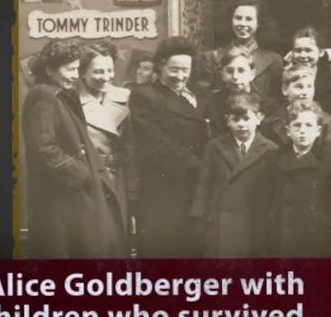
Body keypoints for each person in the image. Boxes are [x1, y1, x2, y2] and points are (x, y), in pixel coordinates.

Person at [20, 38, 103, 258]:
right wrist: (82, 172)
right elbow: (44, 147)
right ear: (49, 69)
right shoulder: (42, 95)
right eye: (70, 69)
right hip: (59, 199)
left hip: (70, 196)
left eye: (77, 69)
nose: (76, 75)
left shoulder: (60, 95)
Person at [129, 37, 209, 259]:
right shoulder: (145, 96)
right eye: (174, 70)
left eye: (186, 70)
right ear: (161, 66)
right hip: (165, 191)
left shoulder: (203, 95)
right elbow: (156, 143)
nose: (180, 76)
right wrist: (202, 168)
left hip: (199, 190)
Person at [189, 92, 277, 258]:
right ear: (227, 120)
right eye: (235, 120)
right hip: (220, 221)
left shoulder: (271, 150)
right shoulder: (214, 146)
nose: (241, 125)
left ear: (259, 118)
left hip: (254, 222)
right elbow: (203, 186)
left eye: (246, 118)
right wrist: (199, 219)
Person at [72, 40, 132, 257]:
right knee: (95, 241)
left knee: (119, 237)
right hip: (90, 178)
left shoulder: (125, 97)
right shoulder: (70, 99)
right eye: (98, 72)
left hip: (119, 177)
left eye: (109, 70)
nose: (106, 77)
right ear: (82, 73)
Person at [265, 100, 331, 259]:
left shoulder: (330, 161)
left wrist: (324, 219)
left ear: (318, 130)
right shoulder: (274, 159)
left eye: (308, 125)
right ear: (288, 131)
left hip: (316, 234)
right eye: (297, 125)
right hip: (282, 235)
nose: (302, 131)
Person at [200, 0, 283, 102]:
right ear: (231, 21)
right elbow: (204, 98)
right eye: (238, 18)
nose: (243, 24)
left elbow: (277, 101)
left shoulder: (274, 60)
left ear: (258, 24)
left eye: (249, 19)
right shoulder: (212, 57)